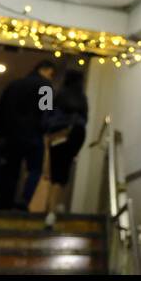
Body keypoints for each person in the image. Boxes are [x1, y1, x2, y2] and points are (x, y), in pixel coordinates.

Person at [0, 59, 56, 210]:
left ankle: (5, 201)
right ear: (46, 70)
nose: (51, 77)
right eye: (51, 73)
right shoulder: (46, 86)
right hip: (34, 135)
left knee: (11, 168)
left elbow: (0, 109)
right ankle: (24, 201)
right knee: (35, 170)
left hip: (12, 135)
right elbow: (46, 111)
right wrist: (44, 129)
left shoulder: (15, 84)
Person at [42, 71, 89, 227]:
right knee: (64, 171)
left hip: (58, 135)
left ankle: (50, 211)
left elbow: (46, 113)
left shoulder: (53, 92)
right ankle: (56, 205)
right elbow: (85, 119)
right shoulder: (82, 98)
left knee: (55, 174)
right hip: (76, 134)